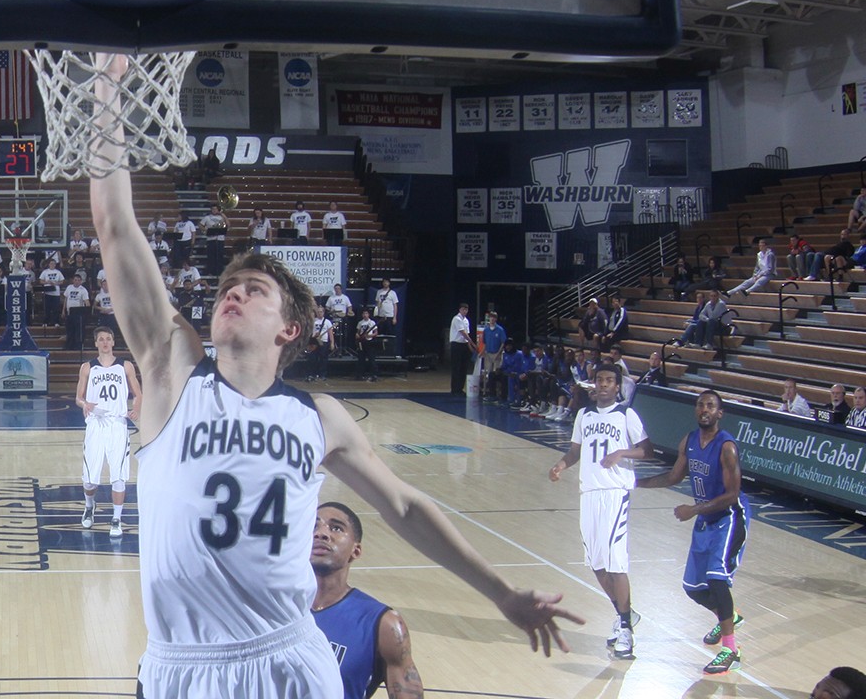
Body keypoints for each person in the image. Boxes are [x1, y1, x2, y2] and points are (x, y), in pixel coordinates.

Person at [86, 57, 578, 698]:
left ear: (290, 328)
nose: (231, 294)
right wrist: (106, 87)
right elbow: (116, 226)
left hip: (287, 659)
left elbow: (404, 506)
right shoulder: (172, 369)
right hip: (183, 667)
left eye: (254, 290)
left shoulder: (318, 417)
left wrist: (503, 592)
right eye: (227, 288)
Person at [635, 390, 750, 675]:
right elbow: (674, 476)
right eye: (700, 405)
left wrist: (694, 510)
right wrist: (636, 482)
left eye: (710, 405)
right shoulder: (689, 441)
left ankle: (730, 649)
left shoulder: (726, 447)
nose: (704, 409)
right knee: (693, 588)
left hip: (729, 516)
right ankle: (729, 616)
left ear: (719, 413)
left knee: (717, 577)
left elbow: (732, 494)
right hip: (705, 517)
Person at [548, 364, 651, 660]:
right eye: (600, 380)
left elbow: (648, 450)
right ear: (593, 385)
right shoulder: (583, 415)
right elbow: (575, 451)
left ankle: (626, 629)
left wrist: (621, 453)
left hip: (615, 493)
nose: (604, 385)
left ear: (617, 387)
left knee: (616, 563)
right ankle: (625, 614)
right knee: (596, 563)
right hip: (589, 493)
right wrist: (561, 465)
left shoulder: (626, 415)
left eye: (609, 381)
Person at [310, 502, 422, 699]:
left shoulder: (383, 624)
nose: (321, 533)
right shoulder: (267, 606)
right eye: (313, 526)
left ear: (356, 551)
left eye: (336, 528)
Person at [74, 327, 142, 539]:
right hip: (95, 422)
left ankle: (116, 518)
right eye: (101, 339)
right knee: (90, 480)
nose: (105, 342)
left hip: (117, 424)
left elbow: (138, 394)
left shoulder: (125, 365)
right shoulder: (87, 367)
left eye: (108, 339)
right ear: (96, 343)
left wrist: (137, 408)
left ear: (113, 342)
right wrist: (84, 404)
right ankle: (89, 505)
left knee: (118, 477)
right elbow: (78, 398)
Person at [479, 311, 508, 400]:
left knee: (496, 373)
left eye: (493, 317)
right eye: (490, 317)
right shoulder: (486, 330)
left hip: (497, 354)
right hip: (488, 353)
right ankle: (489, 392)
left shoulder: (500, 330)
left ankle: (498, 392)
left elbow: (503, 342)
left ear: (496, 319)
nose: (492, 319)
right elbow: (485, 343)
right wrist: (482, 352)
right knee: (488, 373)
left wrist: (498, 353)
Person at [325, 284, 354, 357]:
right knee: (334, 333)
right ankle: (334, 347)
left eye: (338, 288)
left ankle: (343, 348)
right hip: (334, 317)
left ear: (341, 289)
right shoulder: (331, 298)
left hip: (343, 317)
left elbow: (349, 306)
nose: (337, 290)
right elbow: (327, 307)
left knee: (343, 333)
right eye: (336, 288)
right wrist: (331, 311)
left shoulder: (345, 298)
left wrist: (349, 312)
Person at [199, 203, 228, 276]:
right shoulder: (207, 217)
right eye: (212, 209)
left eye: (215, 209)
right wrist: (205, 230)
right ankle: (211, 271)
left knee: (219, 256)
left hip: (220, 240)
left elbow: (228, 224)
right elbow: (200, 225)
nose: (214, 210)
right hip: (210, 239)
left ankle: (219, 272)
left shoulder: (221, 217)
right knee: (211, 257)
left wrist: (222, 215)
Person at [62, 272, 90, 349]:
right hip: (69, 312)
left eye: (78, 280)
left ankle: (78, 346)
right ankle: (69, 346)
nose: (77, 281)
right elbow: (66, 299)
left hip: (78, 314)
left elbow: (86, 301)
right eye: (75, 280)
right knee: (70, 331)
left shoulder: (83, 290)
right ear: (73, 280)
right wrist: (63, 310)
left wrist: (87, 309)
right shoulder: (69, 288)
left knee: (78, 331)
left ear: (81, 281)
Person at [308, 305, 334, 383]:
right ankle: (312, 374)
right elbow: (310, 331)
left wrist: (332, 343)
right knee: (313, 358)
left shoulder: (327, 322)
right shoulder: (313, 321)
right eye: (318, 312)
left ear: (323, 312)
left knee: (323, 359)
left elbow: (330, 333)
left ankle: (322, 375)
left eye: (321, 312)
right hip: (314, 341)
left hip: (323, 341)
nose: (320, 313)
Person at [354, 308, 379, 382]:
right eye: (364, 313)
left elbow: (376, 333)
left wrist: (369, 336)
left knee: (371, 359)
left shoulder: (372, 323)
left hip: (369, 342)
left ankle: (374, 375)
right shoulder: (360, 323)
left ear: (369, 314)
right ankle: (360, 375)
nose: (365, 315)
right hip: (362, 342)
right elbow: (358, 332)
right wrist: (357, 335)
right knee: (361, 359)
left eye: (366, 313)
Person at [39, 258, 65, 327]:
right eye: (51, 263)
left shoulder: (58, 272)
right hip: (47, 291)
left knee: (56, 308)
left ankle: (56, 322)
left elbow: (62, 281)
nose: (52, 265)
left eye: (54, 264)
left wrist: (56, 283)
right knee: (47, 308)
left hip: (56, 292)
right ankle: (45, 322)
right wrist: (47, 282)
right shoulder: (45, 272)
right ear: (49, 264)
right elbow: (41, 281)